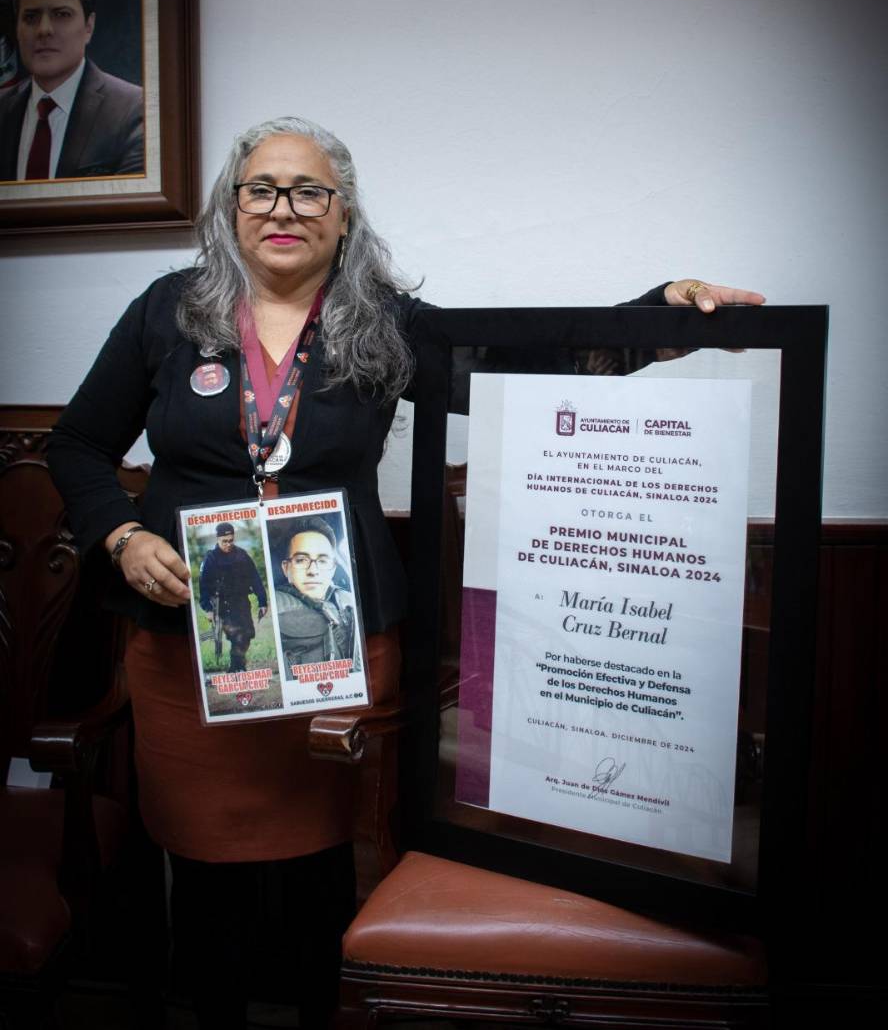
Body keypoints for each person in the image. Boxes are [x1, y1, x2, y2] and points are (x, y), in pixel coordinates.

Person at [47, 115, 764, 1029]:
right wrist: (117, 535)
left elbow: (521, 363)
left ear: (343, 215)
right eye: (261, 188)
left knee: (321, 875)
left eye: (310, 191)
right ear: (233, 208)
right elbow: (75, 445)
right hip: (192, 645)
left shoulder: (381, 321)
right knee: (204, 881)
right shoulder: (166, 309)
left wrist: (663, 315)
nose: (284, 208)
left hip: (330, 644)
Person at [0, 0, 144, 181]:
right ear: (16, 28)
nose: (44, 29)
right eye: (31, 17)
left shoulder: (133, 110)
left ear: (89, 26)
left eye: (61, 15)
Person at [276, 517, 356, 673]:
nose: (313, 571)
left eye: (323, 560)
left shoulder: (350, 600)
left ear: (333, 568)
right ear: (286, 568)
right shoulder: (276, 605)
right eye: (301, 560)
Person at [199, 522, 268, 672]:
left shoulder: (241, 555)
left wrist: (263, 601)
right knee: (236, 634)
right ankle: (238, 667)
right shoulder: (211, 558)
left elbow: (255, 578)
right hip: (223, 604)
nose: (228, 544)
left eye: (231, 540)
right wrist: (207, 608)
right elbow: (203, 585)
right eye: (224, 541)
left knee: (248, 633)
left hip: (242, 602)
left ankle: (235, 667)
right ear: (217, 539)